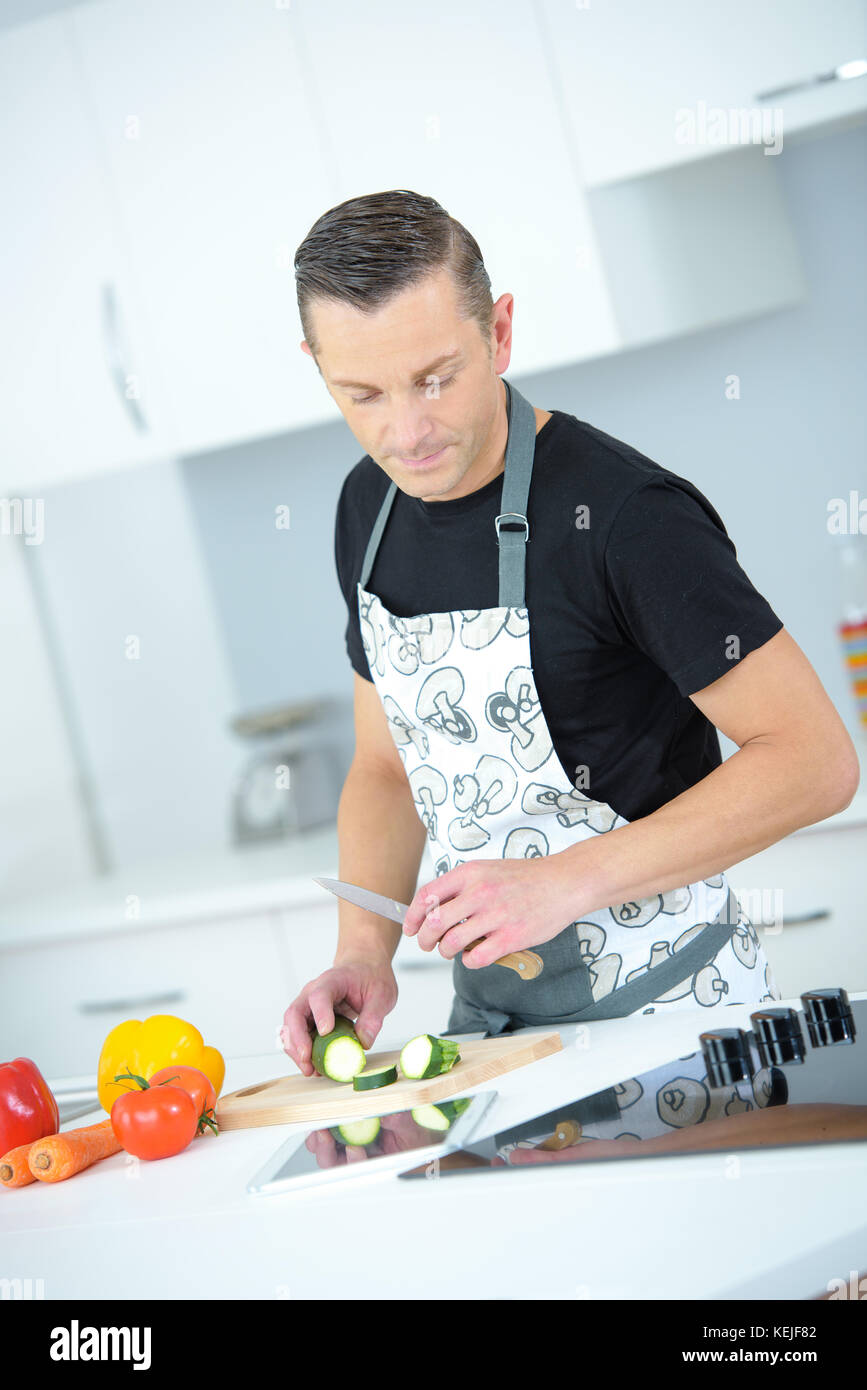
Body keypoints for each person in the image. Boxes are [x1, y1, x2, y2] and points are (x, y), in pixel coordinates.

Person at [280, 189, 859, 1073]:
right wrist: (364, 950)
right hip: (490, 1041)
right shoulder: (368, 509)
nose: (407, 432)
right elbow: (383, 769)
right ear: (317, 368)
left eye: (436, 378)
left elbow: (816, 761)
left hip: (677, 1022)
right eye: (361, 394)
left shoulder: (627, 515)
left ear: (499, 333)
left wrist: (564, 882)